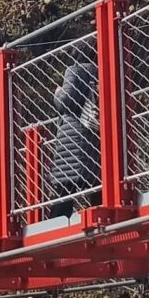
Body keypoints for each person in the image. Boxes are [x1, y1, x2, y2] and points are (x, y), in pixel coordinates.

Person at [53, 53, 100, 215]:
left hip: (72, 136)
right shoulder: (99, 72)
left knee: (64, 188)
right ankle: (101, 217)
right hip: (92, 134)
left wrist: (57, 94)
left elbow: (67, 102)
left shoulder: (75, 70)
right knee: (96, 182)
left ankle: (56, 225)